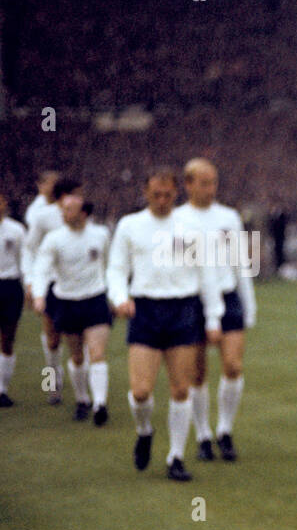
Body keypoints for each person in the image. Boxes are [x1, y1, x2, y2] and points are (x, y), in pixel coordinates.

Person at [107, 168, 223, 482]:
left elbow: (208, 273)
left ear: (176, 193)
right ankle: (144, 431)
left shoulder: (192, 226)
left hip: (183, 308)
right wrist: (120, 297)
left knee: (181, 388)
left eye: (168, 195)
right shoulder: (130, 226)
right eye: (156, 194)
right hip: (144, 309)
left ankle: (176, 456)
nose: (161, 200)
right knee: (141, 390)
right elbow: (116, 269)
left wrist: (213, 317)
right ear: (146, 193)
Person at [176, 158, 256, 462]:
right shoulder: (178, 220)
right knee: (197, 373)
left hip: (228, 296)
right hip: (193, 301)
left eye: (214, 183)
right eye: (204, 183)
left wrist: (249, 305)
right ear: (189, 184)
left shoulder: (229, 217)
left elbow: (241, 262)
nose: (211, 189)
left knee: (233, 366)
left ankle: (224, 429)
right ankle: (202, 435)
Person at [29, 194, 112, 424]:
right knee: (53, 345)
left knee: (95, 353)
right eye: (62, 209)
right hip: (61, 299)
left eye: (69, 209)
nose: (63, 214)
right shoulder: (40, 221)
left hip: (93, 299)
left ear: (83, 212)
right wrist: (36, 292)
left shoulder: (100, 234)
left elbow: (108, 264)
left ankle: (98, 404)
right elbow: (35, 258)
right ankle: (52, 388)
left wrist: (114, 292)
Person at [24, 175, 82, 404]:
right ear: (63, 196)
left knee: (78, 339)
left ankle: (82, 389)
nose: (80, 198)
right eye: (76, 193)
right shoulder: (43, 217)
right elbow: (29, 250)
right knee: (52, 339)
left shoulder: (82, 216)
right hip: (50, 284)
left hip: (75, 286)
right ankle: (51, 385)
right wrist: (30, 280)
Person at [0, 196, 27, 407]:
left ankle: (2, 389)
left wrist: (29, 287)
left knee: (8, 339)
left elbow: (24, 260)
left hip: (10, 286)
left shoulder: (16, 230)